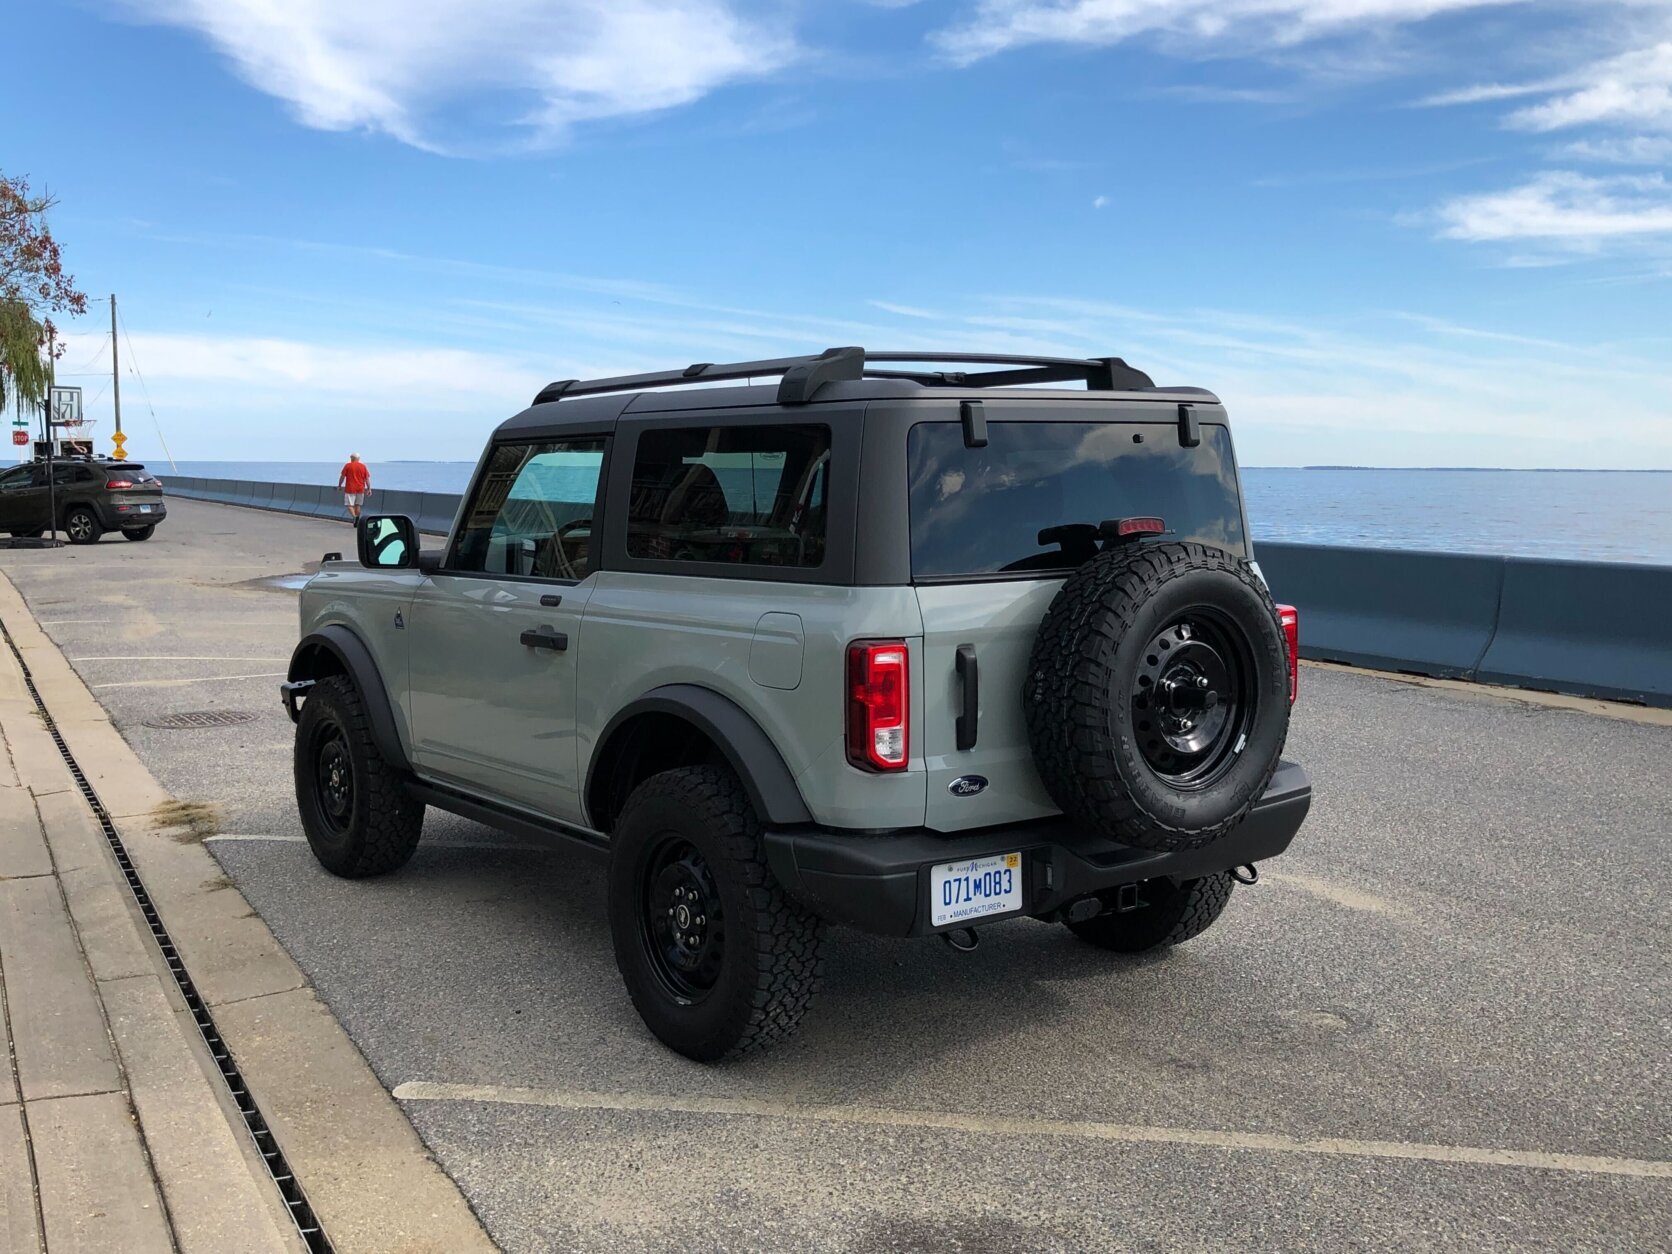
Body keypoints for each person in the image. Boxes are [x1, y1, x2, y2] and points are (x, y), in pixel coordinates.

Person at [338, 454, 371, 522]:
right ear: (358, 458)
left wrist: (339, 485)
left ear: (352, 458)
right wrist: (369, 488)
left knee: (349, 505)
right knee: (358, 505)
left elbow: (342, 477)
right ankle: (357, 519)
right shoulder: (363, 466)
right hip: (360, 488)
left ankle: (355, 517)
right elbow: (367, 479)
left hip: (350, 488)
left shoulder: (348, 465)